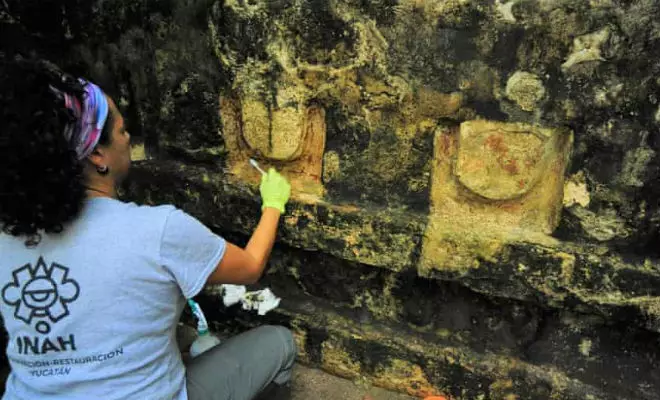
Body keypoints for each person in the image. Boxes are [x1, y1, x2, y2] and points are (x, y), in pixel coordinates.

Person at [0, 54, 295, 400]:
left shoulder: (7, 234)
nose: (127, 139)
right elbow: (250, 267)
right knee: (279, 342)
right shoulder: (157, 231)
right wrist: (274, 204)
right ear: (97, 155)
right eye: (122, 130)